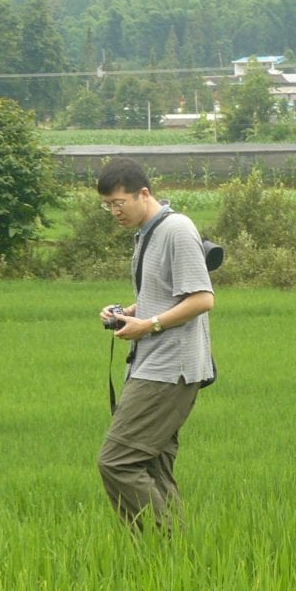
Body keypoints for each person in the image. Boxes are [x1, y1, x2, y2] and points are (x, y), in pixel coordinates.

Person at [95, 157, 215, 531]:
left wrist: (148, 324)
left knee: (116, 461)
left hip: (169, 369)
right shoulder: (148, 233)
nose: (115, 212)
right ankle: (173, 554)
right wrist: (129, 312)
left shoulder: (176, 230)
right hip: (153, 363)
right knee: (152, 464)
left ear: (143, 194)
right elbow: (167, 293)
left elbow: (202, 299)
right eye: (108, 205)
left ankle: (160, 542)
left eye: (119, 203)